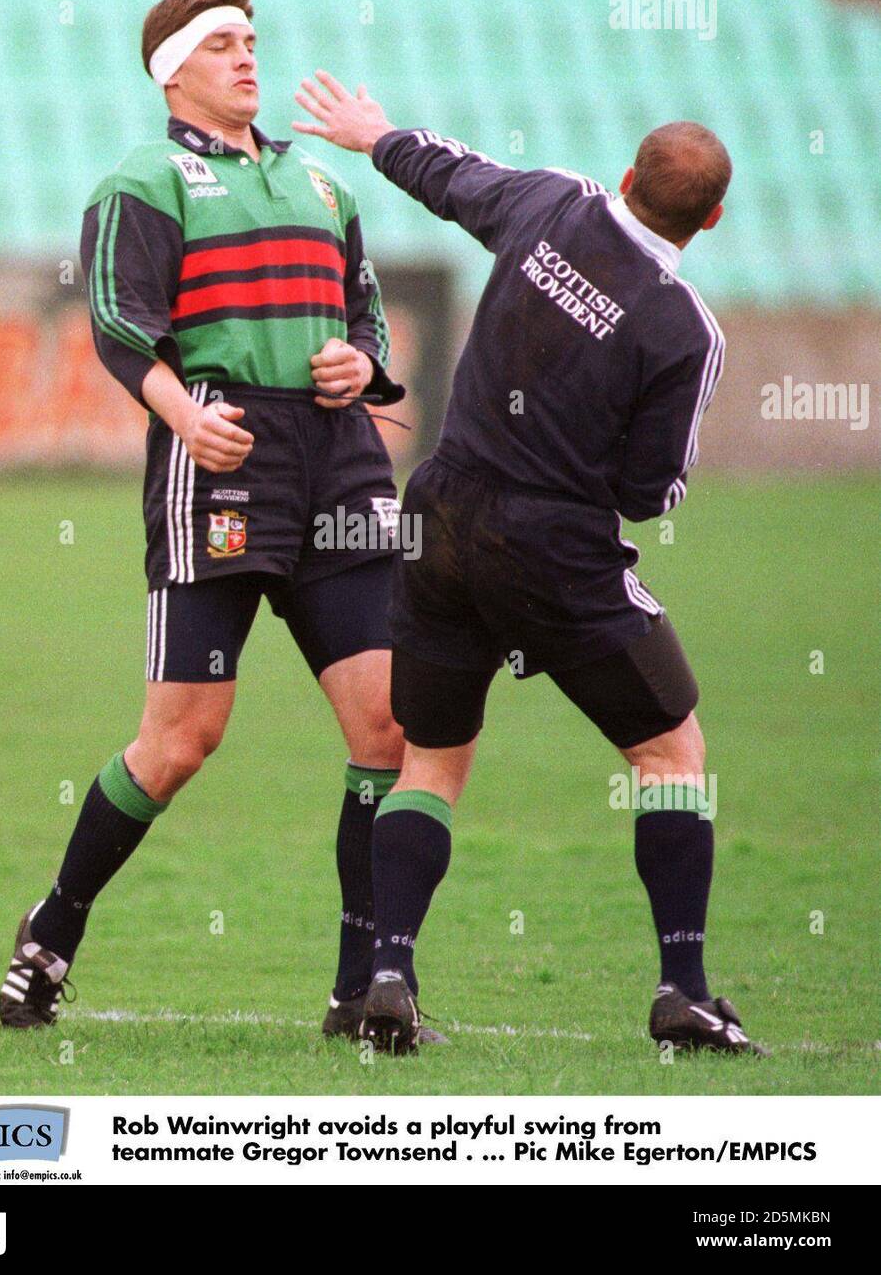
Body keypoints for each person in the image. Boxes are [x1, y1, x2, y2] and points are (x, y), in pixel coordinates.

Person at [292, 71, 765, 1056]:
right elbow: (648, 491)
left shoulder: (553, 203)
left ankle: (389, 976)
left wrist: (375, 134)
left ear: (626, 175)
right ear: (712, 219)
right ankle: (682, 991)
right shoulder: (684, 329)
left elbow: (451, 177)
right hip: (553, 548)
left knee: (430, 760)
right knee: (669, 753)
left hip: (441, 512)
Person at [0, 0, 407, 1039]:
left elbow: (366, 311)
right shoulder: (143, 182)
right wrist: (184, 414)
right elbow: (116, 322)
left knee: (389, 727)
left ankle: (361, 991)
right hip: (222, 460)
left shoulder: (324, 179)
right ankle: (53, 925)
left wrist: (361, 363)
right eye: (222, 43)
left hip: (341, 461)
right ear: (171, 71)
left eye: (252, 40)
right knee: (183, 739)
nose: (246, 56)